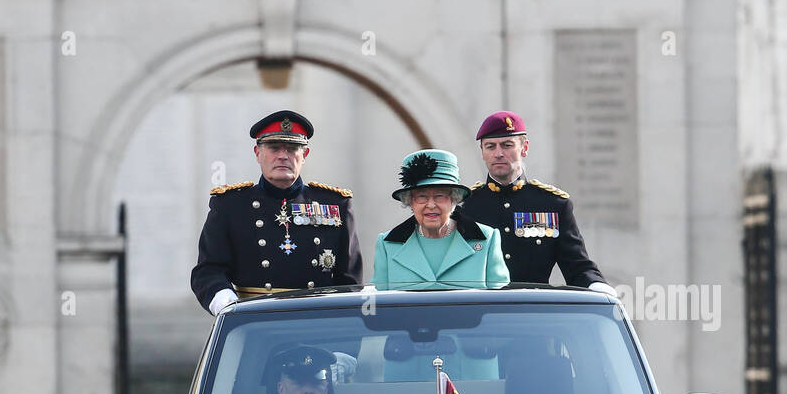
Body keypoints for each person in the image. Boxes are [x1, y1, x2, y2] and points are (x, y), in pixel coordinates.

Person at [192, 110, 362, 315]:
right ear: (257, 153)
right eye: (274, 148)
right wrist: (227, 305)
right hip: (253, 320)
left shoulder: (335, 204)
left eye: (292, 149)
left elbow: (349, 279)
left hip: (318, 321)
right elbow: (208, 270)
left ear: (304, 155)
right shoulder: (230, 205)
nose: (283, 156)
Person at [459, 111, 613, 292]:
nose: (498, 153)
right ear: (483, 152)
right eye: (490, 146)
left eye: (507, 145)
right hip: (481, 310)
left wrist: (597, 286)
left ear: (524, 148)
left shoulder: (552, 205)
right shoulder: (465, 206)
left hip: (532, 309)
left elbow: (576, 265)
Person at [372, 150, 509, 290]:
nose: (431, 205)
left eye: (439, 196)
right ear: (411, 202)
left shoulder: (486, 240)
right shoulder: (387, 245)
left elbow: (500, 302)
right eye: (422, 196)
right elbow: (381, 305)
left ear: (453, 200)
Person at [269, 344, 362, 394]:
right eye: (299, 383)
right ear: (281, 390)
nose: (308, 390)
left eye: (316, 383)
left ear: (326, 390)